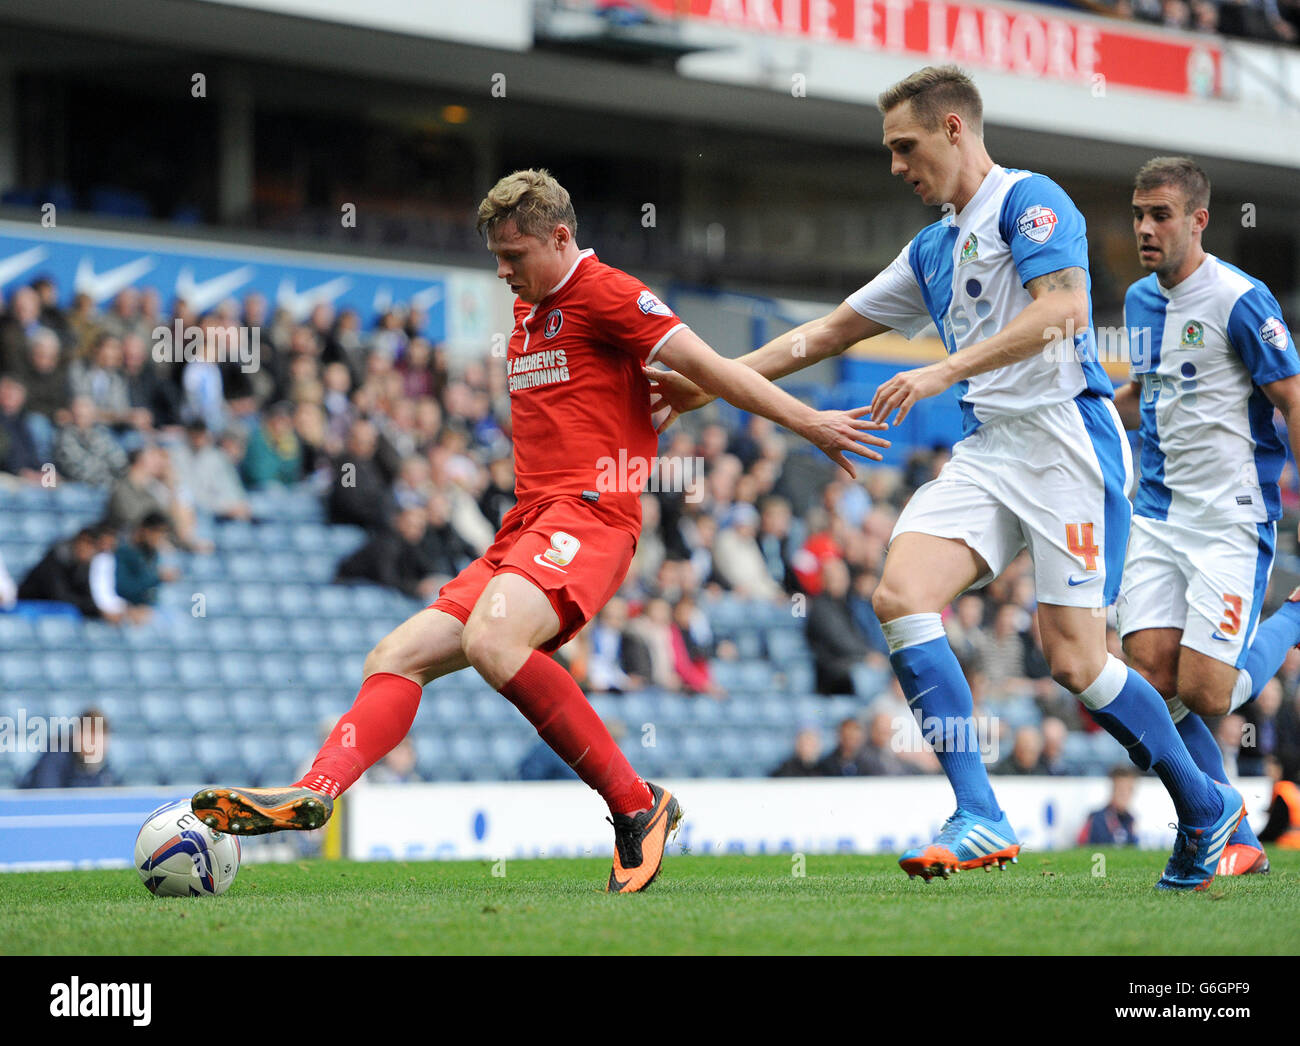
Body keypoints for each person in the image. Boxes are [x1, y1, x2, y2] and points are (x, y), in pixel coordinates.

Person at [191, 168, 887, 894]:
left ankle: (637, 806)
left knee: (493, 640)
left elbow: (708, 365)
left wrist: (806, 422)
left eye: (514, 254)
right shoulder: (529, 313)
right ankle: (316, 792)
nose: (502, 270)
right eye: (495, 256)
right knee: (395, 655)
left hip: (593, 515)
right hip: (524, 524)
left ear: (561, 237)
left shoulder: (609, 292)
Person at [647, 66, 1243, 890]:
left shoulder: (1031, 202)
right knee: (898, 596)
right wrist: (707, 379)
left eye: (905, 145)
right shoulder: (931, 247)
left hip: (1067, 443)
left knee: (1073, 661)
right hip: (990, 448)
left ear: (955, 128)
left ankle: (1203, 807)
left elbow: (1064, 310)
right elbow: (823, 333)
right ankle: (979, 813)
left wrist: (940, 370)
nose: (895, 165)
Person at [1110, 157, 1300, 879]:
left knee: (1208, 693)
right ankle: (1233, 829)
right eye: (1137, 214)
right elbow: (1146, 393)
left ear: (1199, 219)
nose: (1145, 229)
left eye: (1160, 215)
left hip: (1230, 517)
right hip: (1157, 514)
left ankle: (1293, 621)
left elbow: (1293, 400)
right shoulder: (1136, 301)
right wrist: (1088, 407)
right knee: (1151, 676)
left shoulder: (1241, 301)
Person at [1076, 766, 1140, 846]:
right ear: (1112, 790)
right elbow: (1081, 847)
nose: (1125, 794)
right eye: (1121, 789)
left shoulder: (1130, 820)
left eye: (1129, 789)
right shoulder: (1096, 819)